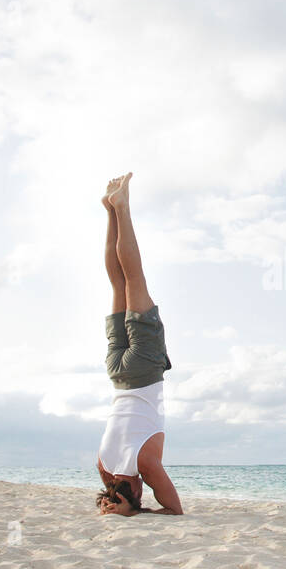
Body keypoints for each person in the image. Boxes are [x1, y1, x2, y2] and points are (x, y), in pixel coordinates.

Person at [96, 173, 183, 517]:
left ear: (132, 491)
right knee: (117, 285)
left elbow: (174, 509)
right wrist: (122, 505)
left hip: (144, 369)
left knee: (134, 278)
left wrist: (136, 512)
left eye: (140, 494)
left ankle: (122, 207)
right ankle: (110, 211)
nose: (145, 489)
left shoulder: (145, 465)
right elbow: (119, 489)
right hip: (117, 372)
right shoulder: (103, 465)